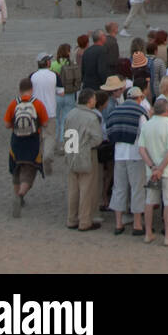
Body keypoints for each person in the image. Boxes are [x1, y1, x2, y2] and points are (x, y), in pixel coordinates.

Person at [137, 95, 168, 246]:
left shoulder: (147, 125)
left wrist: (153, 167)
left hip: (151, 170)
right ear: (167, 110)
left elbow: (141, 149)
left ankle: (148, 233)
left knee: (150, 201)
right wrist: (160, 168)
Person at [107, 86, 149, 236]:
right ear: (139, 98)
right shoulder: (140, 112)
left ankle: (118, 223)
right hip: (135, 155)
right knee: (137, 188)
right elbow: (144, 134)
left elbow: (109, 131)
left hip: (119, 154)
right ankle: (137, 224)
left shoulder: (115, 111)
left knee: (119, 188)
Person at [4, 76, 49, 216]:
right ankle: (21, 195)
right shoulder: (38, 104)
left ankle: (17, 195)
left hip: (16, 141)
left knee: (16, 169)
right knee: (29, 170)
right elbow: (46, 123)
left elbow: (6, 124)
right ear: (32, 89)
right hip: (32, 141)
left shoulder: (13, 104)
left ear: (20, 89)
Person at [63, 88, 104, 231]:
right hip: (86, 154)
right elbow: (98, 139)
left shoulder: (71, 114)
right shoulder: (91, 117)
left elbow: (66, 133)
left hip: (71, 152)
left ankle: (71, 219)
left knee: (73, 189)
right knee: (86, 189)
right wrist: (86, 146)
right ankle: (85, 221)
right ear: (89, 100)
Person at [31, 53, 63, 175]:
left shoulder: (32, 76)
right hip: (50, 111)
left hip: (35, 112)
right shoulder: (54, 75)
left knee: (37, 137)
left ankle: (37, 160)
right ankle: (47, 156)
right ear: (47, 63)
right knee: (50, 136)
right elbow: (61, 92)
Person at [52, 43, 79, 136]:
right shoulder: (72, 64)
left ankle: (55, 138)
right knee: (66, 118)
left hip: (57, 94)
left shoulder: (54, 64)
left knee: (56, 118)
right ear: (68, 52)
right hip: (69, 93)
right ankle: (63, 140)